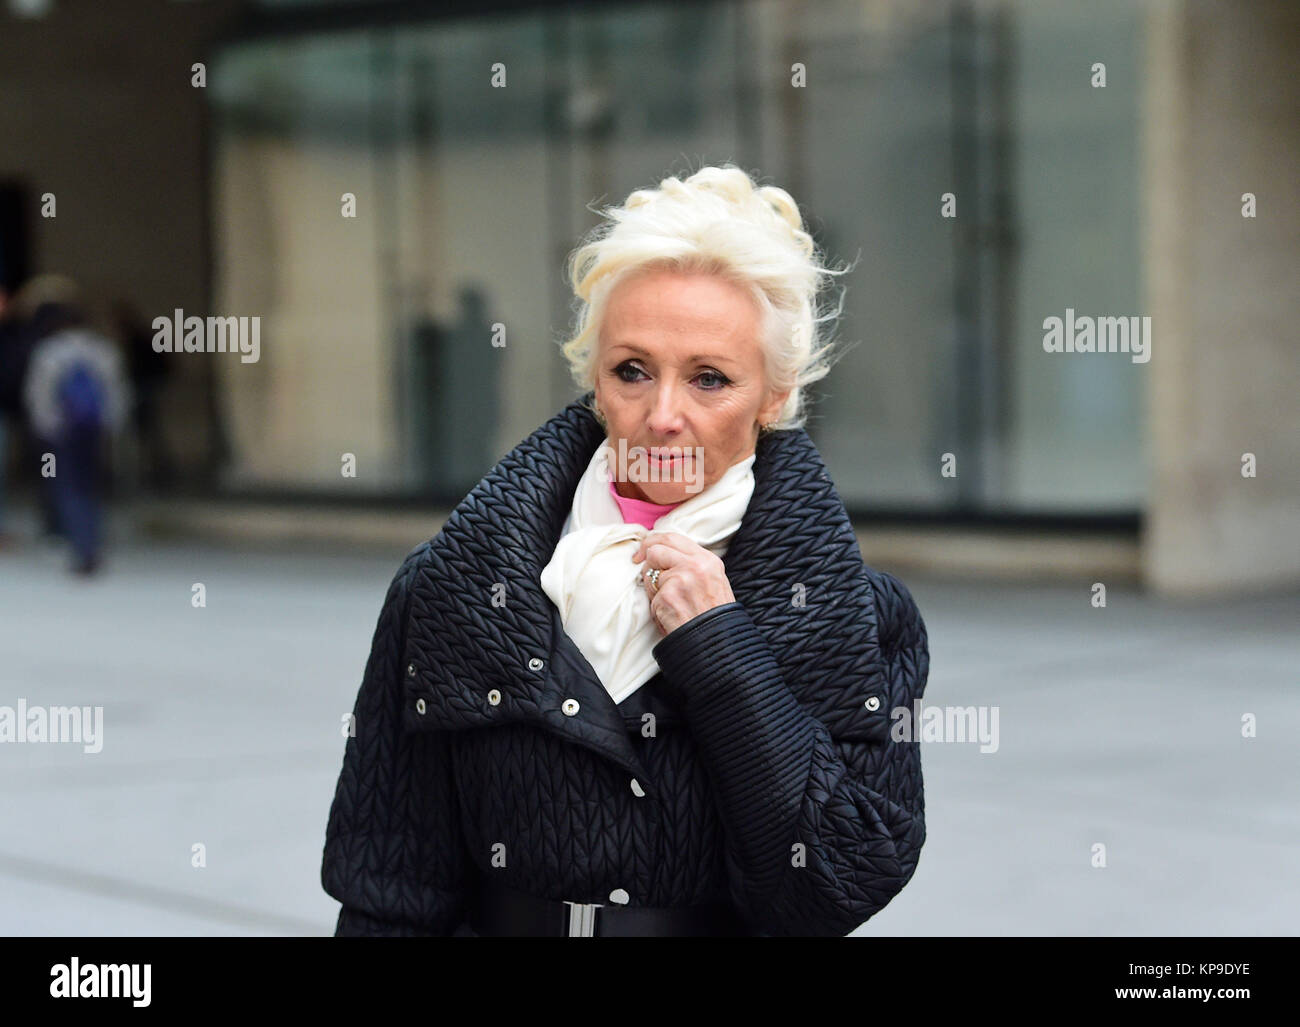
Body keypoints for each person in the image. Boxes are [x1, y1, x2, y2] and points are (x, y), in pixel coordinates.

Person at [321, 164, 930, 937]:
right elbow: (388, 883)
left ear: (774, 395)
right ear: (595, 378)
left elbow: (838, 886)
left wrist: (722, 650)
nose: (663, 415)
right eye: (632, 370)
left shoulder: (861, 617)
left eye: (710, 379)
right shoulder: (456, 581)